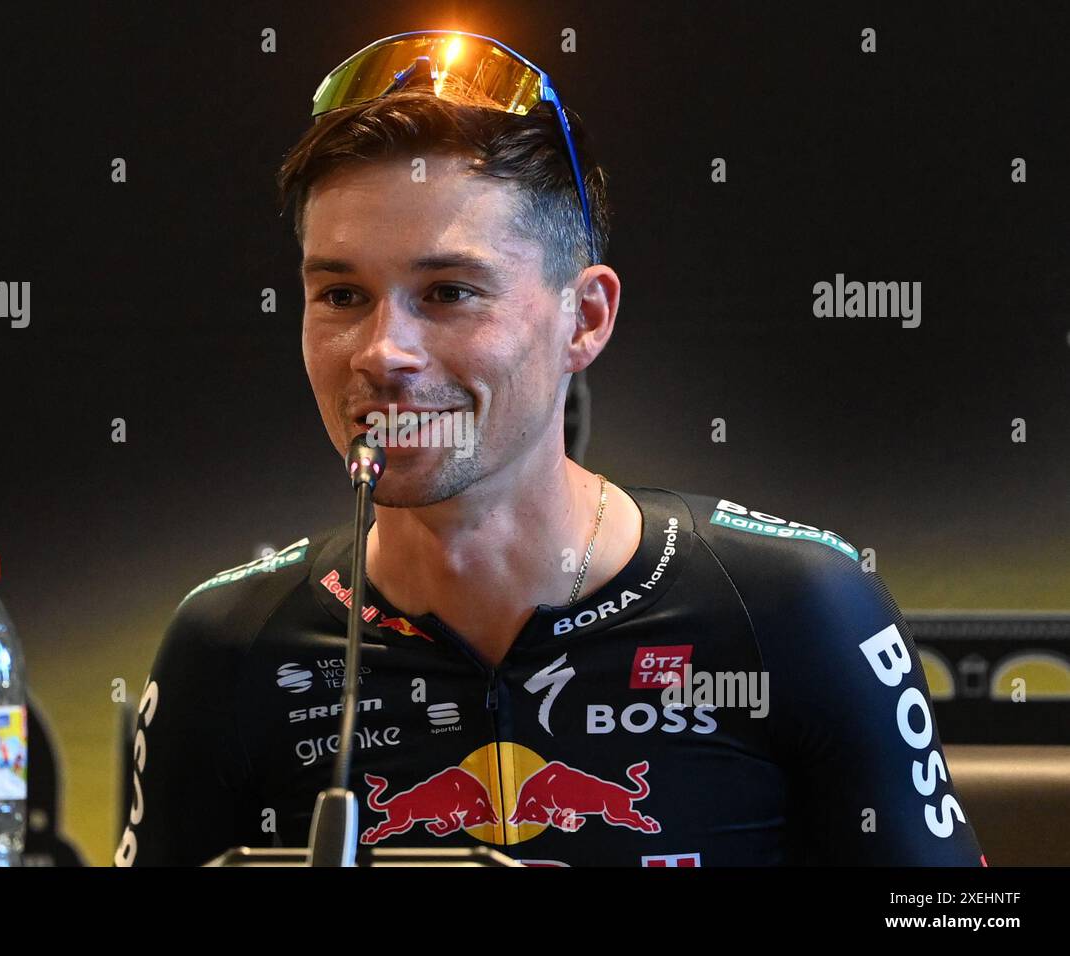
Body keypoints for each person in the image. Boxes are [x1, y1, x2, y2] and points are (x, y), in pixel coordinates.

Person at [115, 30, 984, 867]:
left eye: (449, 291)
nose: (383, 353)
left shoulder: (797, 609)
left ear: (587, 317)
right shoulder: (228, 648)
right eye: (342, 294)